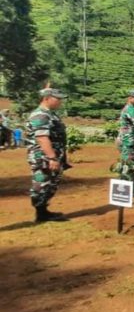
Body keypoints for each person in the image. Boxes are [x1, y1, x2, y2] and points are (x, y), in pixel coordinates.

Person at [25, 87, 70, 223]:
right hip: (43, 157)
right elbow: (42, 138)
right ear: (46, 98)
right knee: (42, 183)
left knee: (51, 184)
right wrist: (51, 157)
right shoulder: (41, 115)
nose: (60, 102)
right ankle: (40, 213)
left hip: (53, 156)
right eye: (57, 99)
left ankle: (44, 211)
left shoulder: (51, 114)